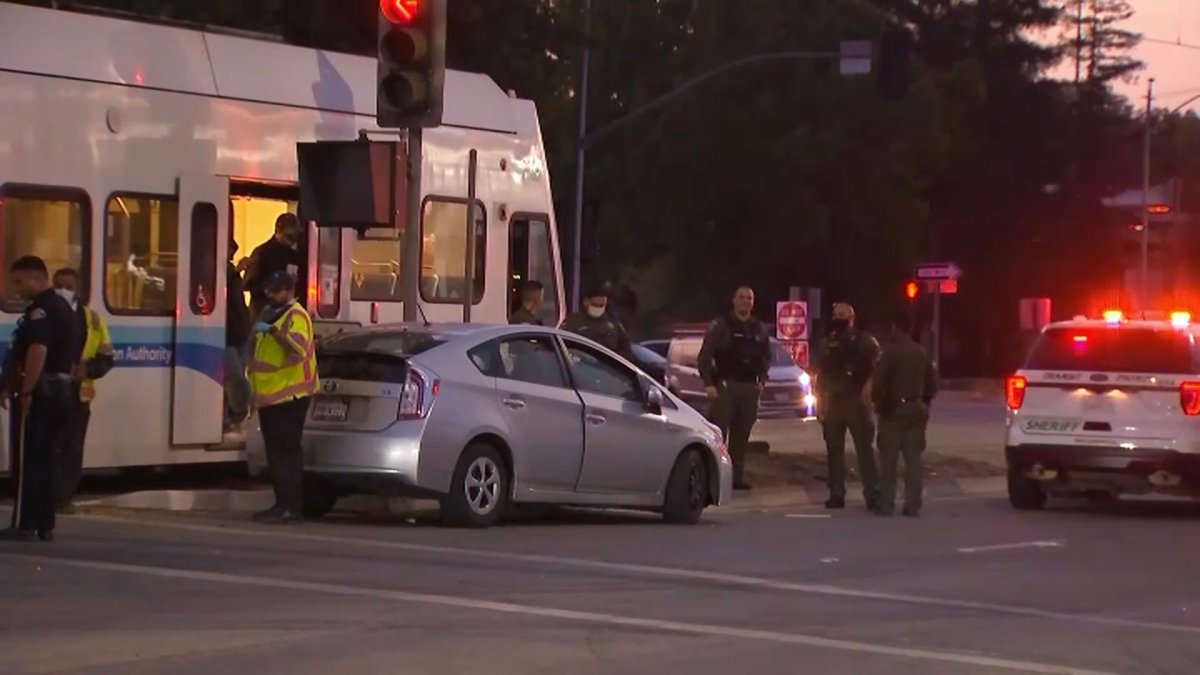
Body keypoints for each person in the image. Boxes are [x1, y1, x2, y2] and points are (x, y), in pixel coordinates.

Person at [1, 256, 77, 542]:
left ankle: (25, 522)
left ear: (35, 277)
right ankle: (44, 523)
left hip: (43, 392)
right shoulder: (63, 307)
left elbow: (37, 351)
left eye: (20, 282)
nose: (17, 289)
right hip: (61, 391)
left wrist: (28, 390)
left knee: (29, 458)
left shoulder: (42, 309)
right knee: (46, 459)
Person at [248, 270, 318, 524]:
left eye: (276, 290)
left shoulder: (296, 315)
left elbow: (297, 349)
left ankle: (290, 506)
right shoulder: (270, 311)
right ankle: (281, 504)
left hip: (290, 396)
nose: (270, 294)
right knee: (275, 454)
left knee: (286, 453)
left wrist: (274, 332)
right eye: (268, 289)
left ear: (289, 291)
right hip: (270, 398)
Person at [52, 268, 114, 514]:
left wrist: (89, 369)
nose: (64, 290)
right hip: (51, 390)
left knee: (72, 447)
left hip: (79, 394)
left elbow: (107, 356)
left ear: (78, 290)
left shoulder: (92, 319)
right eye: (59, 285)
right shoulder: (45, 314)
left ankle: (63, 497)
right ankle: (45, 494)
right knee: (48, 445)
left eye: (68, 286)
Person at [697, 286, 770, 491]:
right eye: (742, 297)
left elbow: (766, 357)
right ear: (734, 300)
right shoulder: (721, 325)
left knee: (742, 434)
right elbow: (705, 356)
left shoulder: (759, 328)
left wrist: (761, 381)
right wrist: (709, 383)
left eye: (749, 298)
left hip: (750, 388)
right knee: (719, 433)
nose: (746, 301)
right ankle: (713, 477)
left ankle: (736, 478)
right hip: (726, 386)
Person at [813, 302, 881, 510]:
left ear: (852, 317)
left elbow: (878, 367)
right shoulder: (827, 343)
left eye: (843, 314)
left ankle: (873, 493)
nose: (839, 318)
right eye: (836, 314)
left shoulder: (865, 340)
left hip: (857, 402)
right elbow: (818, 373)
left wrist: (869, 391)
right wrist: (819, 402)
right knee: (834, 451)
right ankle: (836, 493)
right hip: (833, 402)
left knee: (864, 450)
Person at [871, 313, 938, 517]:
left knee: (888, 459)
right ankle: (912, 504)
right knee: (914, 460)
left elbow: (878, 383)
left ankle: (886, 503)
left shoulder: (889, 352)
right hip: (916, 410)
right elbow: (932, 384)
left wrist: (878, 403)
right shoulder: (921, 352)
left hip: (893, 411)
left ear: (895, 328)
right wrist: (923, 401)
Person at [244, 213, 304, 318]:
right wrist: (274, 289)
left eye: (296, 236)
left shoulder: (295, 257)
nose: (293, 240)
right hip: (263, 311)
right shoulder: (261, 253)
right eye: (289, 236)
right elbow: (249, 285)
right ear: (278, 231)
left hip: (287, 312)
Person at [560, 284, 633, 359]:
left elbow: (626, 347)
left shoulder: (612, 321)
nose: (598, 308)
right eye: (595, 304)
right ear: (586, 302)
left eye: (602, 305)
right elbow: (564, 345)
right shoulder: (574, 321)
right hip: (583, 365)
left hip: (607, 366)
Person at [224, 237, 252, 435]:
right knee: (236, 379)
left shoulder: (231, 274)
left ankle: (231, 418)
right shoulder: (225, 273)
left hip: (238, 332)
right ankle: (237, 415)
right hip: (226, 335)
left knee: (237, 377)